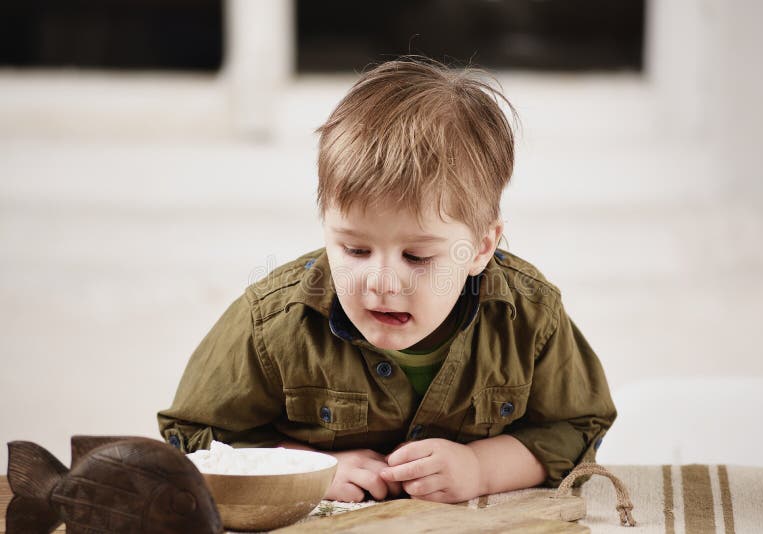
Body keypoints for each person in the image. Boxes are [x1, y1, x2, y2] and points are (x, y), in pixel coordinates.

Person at [157, 56, 616, 504]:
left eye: (416, 256)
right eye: (354, 250)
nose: (381, 282)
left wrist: (480, 467)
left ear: (480, 247)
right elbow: (196, 436)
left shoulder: (528, 317)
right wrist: (313, 468)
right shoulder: (275, 323)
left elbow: (576, 426)